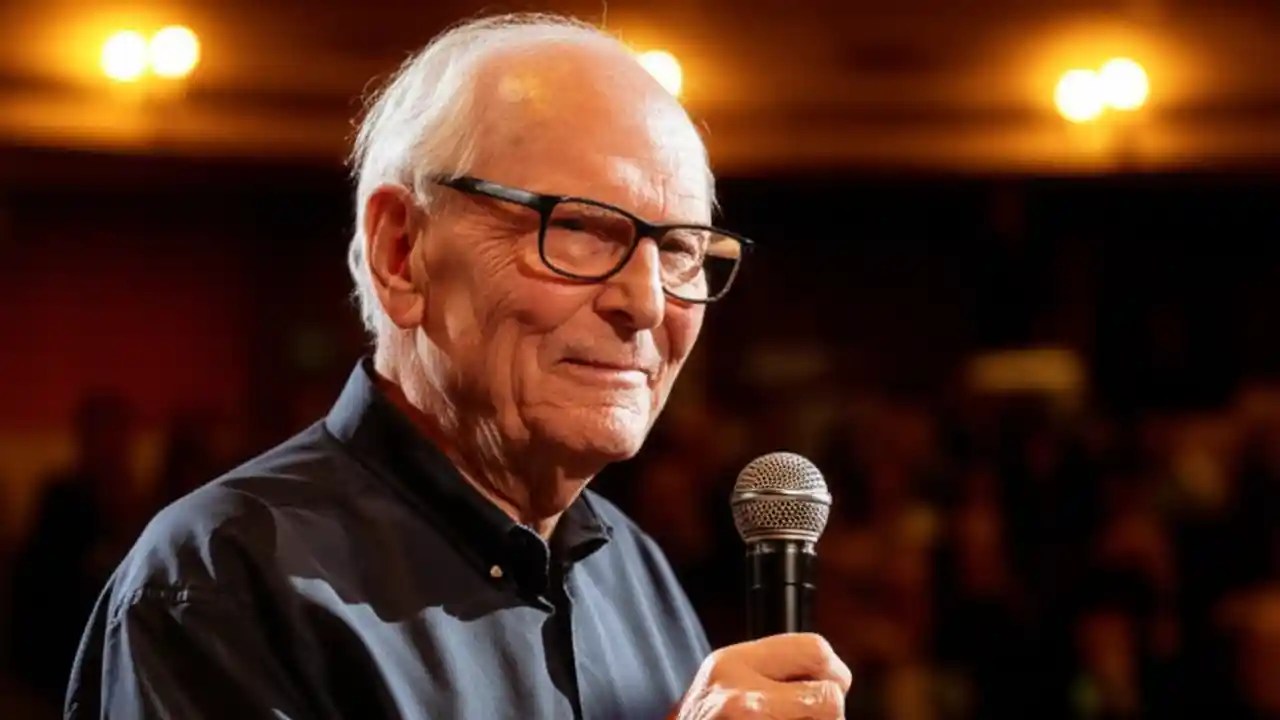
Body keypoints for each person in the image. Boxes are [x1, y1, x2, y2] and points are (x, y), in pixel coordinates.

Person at [65, 12, 852, 719]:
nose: (646, 302)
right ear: (401, 253)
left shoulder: (637, 574)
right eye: (580, 227)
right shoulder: (221, 585)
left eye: (679, 248)